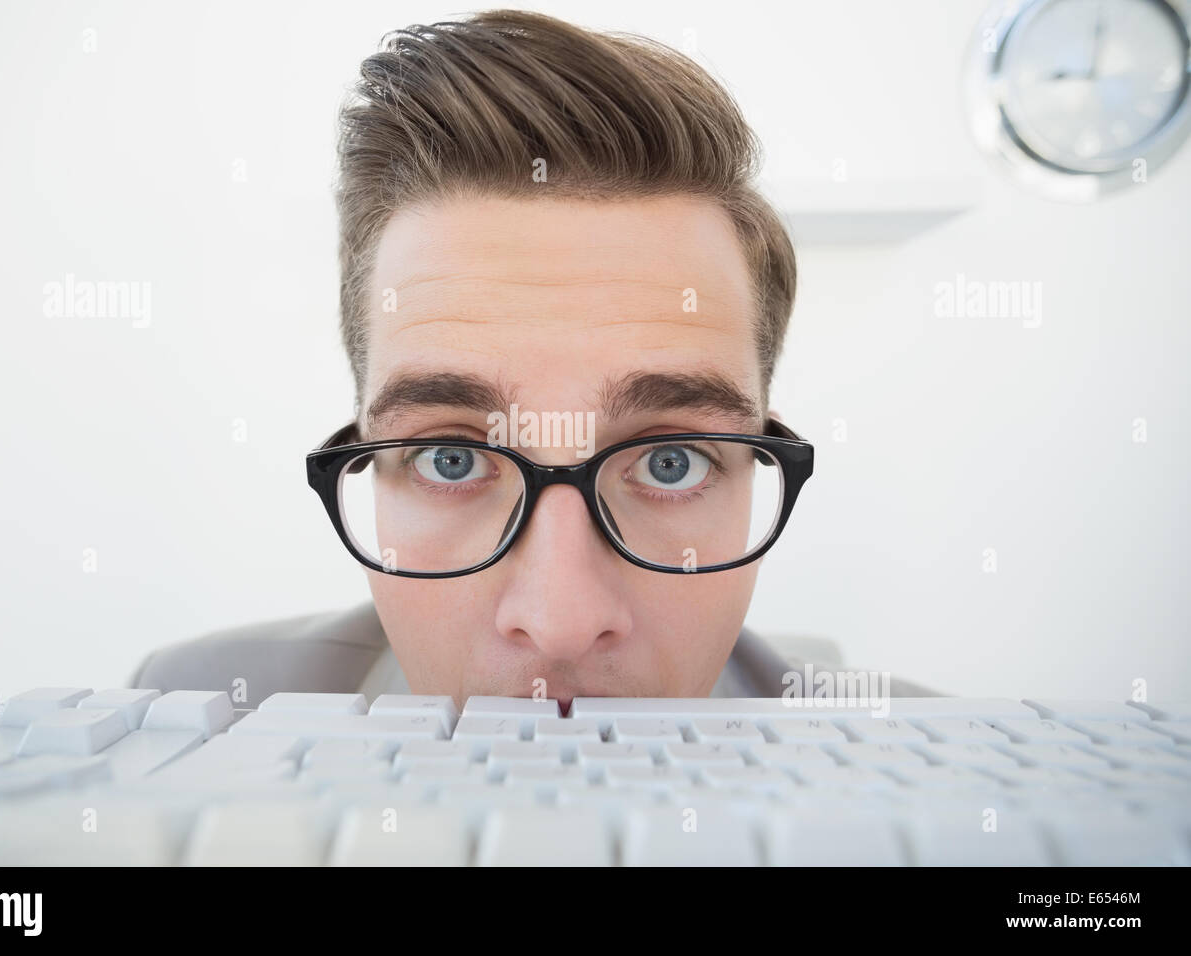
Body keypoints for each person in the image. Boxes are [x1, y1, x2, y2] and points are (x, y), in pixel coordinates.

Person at [131, 9, 938, 710]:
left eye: (670, 460)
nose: (560, 623)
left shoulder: (930, 776)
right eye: (452, 459)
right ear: (365, 463)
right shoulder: (190, 714)